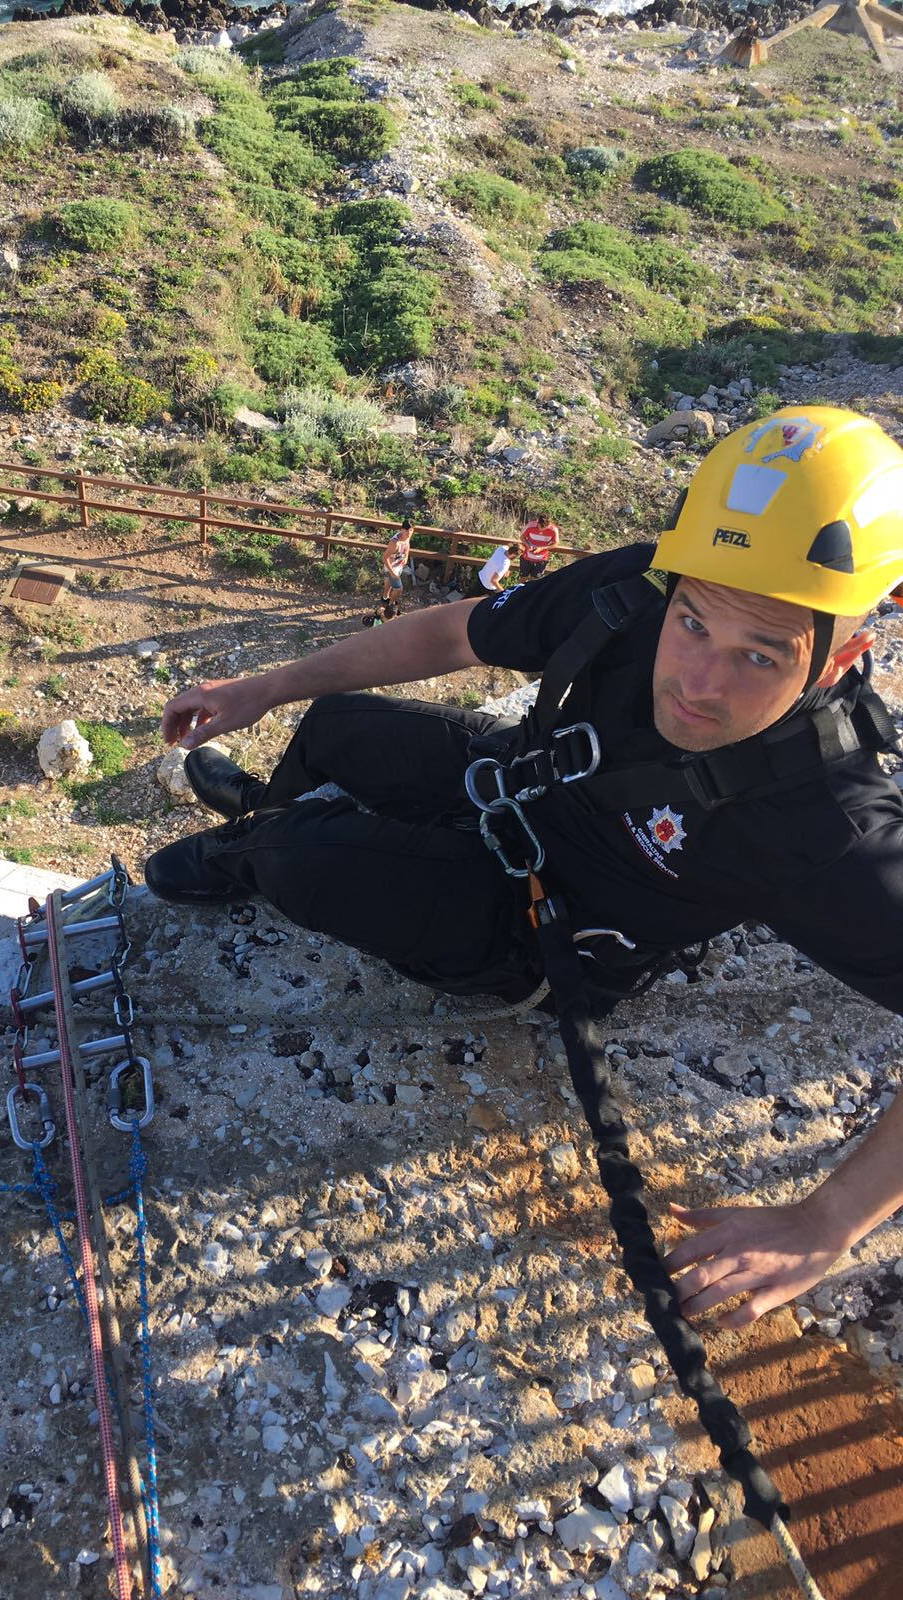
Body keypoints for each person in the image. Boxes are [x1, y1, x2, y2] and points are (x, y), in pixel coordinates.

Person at [144, 407, 903, 1329]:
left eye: (760, 654)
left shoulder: (826, 827)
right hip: (525, 784)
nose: (700, 684)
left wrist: (828, 1221)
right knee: (335, 727)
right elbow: (455, 634)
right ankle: (266, 814)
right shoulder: (634, 589)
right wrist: (263, 686)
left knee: (307, 858)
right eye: (695, 623)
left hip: (549, 928)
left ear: (840, 660)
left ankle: (257, 850)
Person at [518, 511, 559, 581]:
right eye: (540, 526)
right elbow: (522, 537)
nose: (540, 530)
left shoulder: (554, 530)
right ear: (538, 522)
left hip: (541, 560)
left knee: (535, 581)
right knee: (522, 579)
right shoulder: (530, 526)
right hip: (526, 558)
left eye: (544, 528)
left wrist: (542, 548)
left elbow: (556, 543)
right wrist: (528, 546)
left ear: (549, 525)